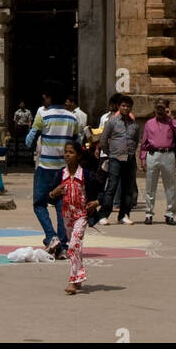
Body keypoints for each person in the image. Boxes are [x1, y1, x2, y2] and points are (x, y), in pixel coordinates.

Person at [25, 83, 79, 256]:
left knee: (39, 204)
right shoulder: (73, 118)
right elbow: (78, 140)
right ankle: (63, 246)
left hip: (45, 168)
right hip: (64, 169)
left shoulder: (44, 115)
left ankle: (51, 237)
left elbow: (29, 140)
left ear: (48, 98)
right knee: (61, 206)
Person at [49, 139, 102, 294]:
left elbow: (102, 192)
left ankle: (73, 281)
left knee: (72, 246)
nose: (67, 155)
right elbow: (49, 196)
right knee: (76, 247)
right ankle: (79, 278)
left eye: (71, 152)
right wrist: (54, 193)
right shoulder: (61, 174)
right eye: (65, 152)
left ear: (78, 156)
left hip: (81, 215)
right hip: (66, 216)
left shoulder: (85, 175)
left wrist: (96, 202)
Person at [139, 98, 176, 224]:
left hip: (168, 154)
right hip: (153, 154)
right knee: (150, 186)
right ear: (155, 108)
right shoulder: (149, 123)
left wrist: (171, 118)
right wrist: (143, 158)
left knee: (170, 186)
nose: (160, 110)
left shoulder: (171, 122)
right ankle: (149, 213)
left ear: (166, 109)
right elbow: (144, 142)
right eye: (158, 107)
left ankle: (170, 214)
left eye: (162, 108)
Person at [96, 94, 140, 225]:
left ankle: (124, 215)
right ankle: (103, 215)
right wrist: (110, 153)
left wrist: (131, 151)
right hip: (115, 158)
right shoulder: (112, 122)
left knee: (128, 188)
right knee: (112, 187)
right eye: (123, 106)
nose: (125, 108)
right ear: (119, 107)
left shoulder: (134, 125)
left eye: (128, 106)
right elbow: (103, 140)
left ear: (131, 108)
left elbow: (136, 140)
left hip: (130, 158)